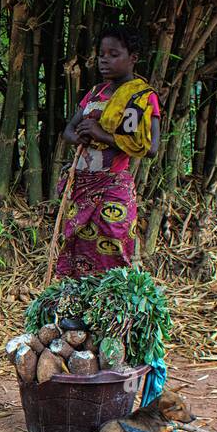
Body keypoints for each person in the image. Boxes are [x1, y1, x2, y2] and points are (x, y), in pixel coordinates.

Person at [58, 25, 161, 279]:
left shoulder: (137, 97)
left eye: (113, 54)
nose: (104, 59)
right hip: (82, 185)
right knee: (77, 249)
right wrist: (80, 135)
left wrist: (99, 133)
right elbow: (68, 131)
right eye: (102, 54)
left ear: (132, 58)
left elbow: (148, 148)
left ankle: (110, 311)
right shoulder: (95, 93)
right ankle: (76, 310)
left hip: (111, 187)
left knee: (114, 247)